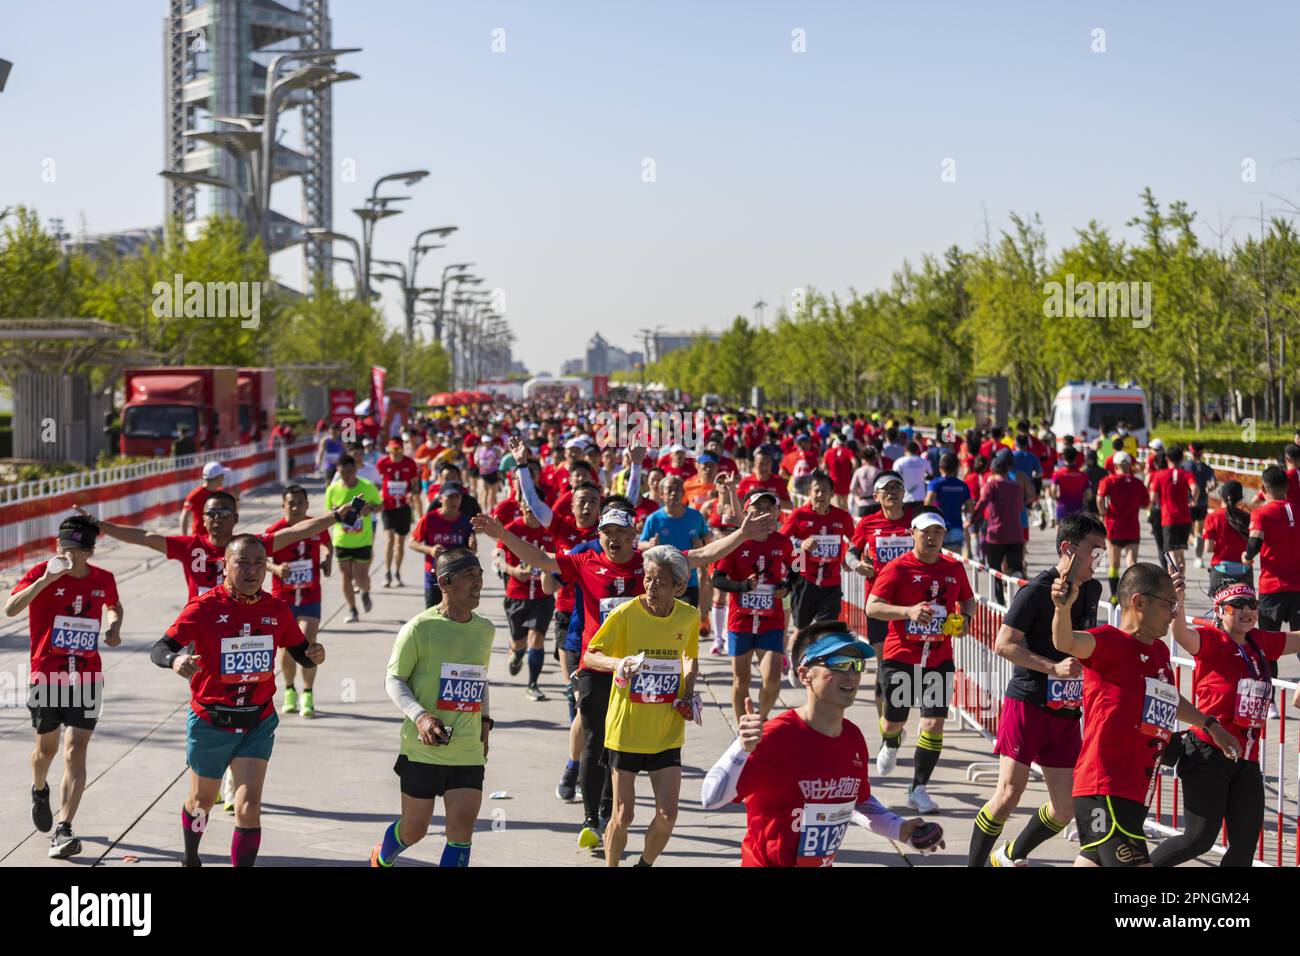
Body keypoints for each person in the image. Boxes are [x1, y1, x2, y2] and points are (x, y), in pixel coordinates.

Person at [472, 498, 769, 852]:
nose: (612, 539)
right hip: (597, 666)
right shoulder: (586, 561)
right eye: (606, 532)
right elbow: (541, 560)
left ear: (633, 535)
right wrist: (500, 533)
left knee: (620, 750)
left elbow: (702, 556)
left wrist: (742, 533)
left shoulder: (650, 564)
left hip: (642, 674)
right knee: (595, 740)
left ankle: (607, 813)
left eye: (620, 532)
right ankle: (590, 819)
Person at [700, 621, 946, 866]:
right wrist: (740, 748)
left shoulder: (852, 737)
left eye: (856, 665)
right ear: (805, 674)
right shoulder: (775, 737)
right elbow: (711, 798)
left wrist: (899, 828)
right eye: (838, 664)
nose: (851, 674)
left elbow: (856, 799)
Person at [151, 534, 327, 866]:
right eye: (242, 562)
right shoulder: (204, 607)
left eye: (258, 563)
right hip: (211, 721)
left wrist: (314, 654)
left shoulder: (276, 608)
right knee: (201, 802)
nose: (251, 570)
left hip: (256, 721)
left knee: (248, 807)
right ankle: (191, 857)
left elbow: (301, 652)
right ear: (225, 565)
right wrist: (174, 661)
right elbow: (160, 648)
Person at [1050, 562, 1240, 867]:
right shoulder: (1106, 641)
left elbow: (1169, 697)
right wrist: (1062, 608)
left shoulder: (1159, 652)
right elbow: (1066, 642)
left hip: (1136, 789)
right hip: (1106, 786)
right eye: (1169, 604)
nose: (1175, 613)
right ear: (1139, 602)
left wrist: (1210, 724)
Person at [968, 513, 1106, 867]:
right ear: (1068, 549)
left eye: (1102, 553)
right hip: (1028, 702)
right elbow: (1003, 644)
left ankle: (1011, 855)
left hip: (1066, 710)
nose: (1099, 560)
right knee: (1008, 794)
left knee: (1065, 808)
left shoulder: (1092, 589)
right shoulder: (1035, 591)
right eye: (1094, 552)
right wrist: (1052, 667)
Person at [1155, 581, 1300, 866]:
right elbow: (1182, 635)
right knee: (1198, 839)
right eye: (1237, 606)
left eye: (1252, 605)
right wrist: (1179, 600)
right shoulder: (1212, 639)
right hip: (1208, 752)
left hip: (1247, 758)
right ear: (1220, 611)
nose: (1247, 611)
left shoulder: (1260, 641)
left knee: (1245, 846)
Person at [7, 516, 122, 859]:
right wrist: (44, 581)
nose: (66, 555)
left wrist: (114, 626)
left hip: (87, 678)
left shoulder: (103, 579)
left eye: (73, 551)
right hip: (47, 675)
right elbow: (11, 608)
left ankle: (65, 827)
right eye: (62, 548)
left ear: (89, 552)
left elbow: (113, 605)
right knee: (47, 752)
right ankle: (39, 788)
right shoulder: (41, 573)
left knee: (76, 751)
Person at [371, 549, 493, 867]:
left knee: (462, 827)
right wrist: (421, 716)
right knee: (414, 830)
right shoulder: (419, 629)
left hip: (466, 748)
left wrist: (485, 720)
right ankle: (381, 857)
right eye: (469, 576)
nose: (478, 582)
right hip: (423, 749)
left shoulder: (485, 629)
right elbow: (394, 680)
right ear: (445, 583)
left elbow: (479, 678)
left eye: (480, 575)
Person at [583, 545, 699, 866]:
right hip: (627, 730)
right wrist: (618, 663)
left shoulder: (688, 616)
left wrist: (688, 691)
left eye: (660, 582)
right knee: (623, 814)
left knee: (668, 814)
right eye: (647, 579)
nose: (650, 587)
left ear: (678, 587)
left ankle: (644, 864)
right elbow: (591, 654)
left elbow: (689, 657)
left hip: (666, 730)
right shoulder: (625, 614)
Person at [866, 512, 975, 813]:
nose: (931, 538)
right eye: (926, 532)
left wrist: (964, 619)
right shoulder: (898, 568)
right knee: (894, 720)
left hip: (938, 657)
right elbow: (872, 607)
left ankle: (918, 788)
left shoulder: (954, 567)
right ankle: (890, 740)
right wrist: (908, 612)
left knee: (933, 723)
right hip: (901, 656)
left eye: (938, 533)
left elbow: (968, 600)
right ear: (912, 533)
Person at [712, 490, 796, 721]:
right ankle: (741, 730)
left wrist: (786, 587)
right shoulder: (736, 542)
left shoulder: (783, 543)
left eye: (769, 508)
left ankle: (760, 719)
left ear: (776, 513)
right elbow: (716, 579)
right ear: (747, 512)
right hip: (741, 622)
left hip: (772, 622)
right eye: (757, 508)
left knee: (772, 680)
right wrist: (741, 587)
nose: (763, 513)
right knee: (741, 680)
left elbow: (797, 573)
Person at [263, 485, 333, 719]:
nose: (295, 507)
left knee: (308, 642)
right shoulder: (274, 531)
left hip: (310, 595)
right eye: (291, 503)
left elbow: (327, 543)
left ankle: (308, 693)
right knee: (286, 646)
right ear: (283, 505)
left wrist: (327, 559)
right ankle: (290, 689)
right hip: (283, 597)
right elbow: (259, 559)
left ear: (307, 505)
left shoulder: (315, 525)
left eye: (300, 503)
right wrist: (276, 568)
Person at [496, 492, 555, 700]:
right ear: (520, 506)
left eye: (534, 504)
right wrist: (513, 571)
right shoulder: (512, 529)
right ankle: (516, 652)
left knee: (536, 639)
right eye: (526, 504)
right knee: (519, 641)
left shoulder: (550, 531)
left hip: (542, 596)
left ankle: (533, 684)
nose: (529, 509)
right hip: (516, 594)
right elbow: (497, 557)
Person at [781, 470, 853, 636]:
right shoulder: (799, 515)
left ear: (832, 493)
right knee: (801, 631)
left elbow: (855, 540)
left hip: (832, 583)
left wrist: (848, 558)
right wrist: (800, 543)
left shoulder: (842, 517)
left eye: (825, 490)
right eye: (816, 490)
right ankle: (795, 661)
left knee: (826, 631)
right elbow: (781, 539)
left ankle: (821, 662)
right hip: (804, 580)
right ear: (809, 493)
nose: (820, 495)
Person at [324, 454, 384, 623]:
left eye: (350, 471)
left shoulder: (367, 486)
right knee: (345, 576)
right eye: (343, 472)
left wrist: (369, 509)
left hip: (362, 540)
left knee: (361, 578)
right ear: (338, 470)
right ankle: (352, 609)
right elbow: (327, 512)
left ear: (355, 470)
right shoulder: (333, 489)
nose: (346, 476)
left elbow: (380, 506)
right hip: (342, 540)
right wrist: (336, 511)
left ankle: (365, 592)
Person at [1246, 465, 1300, 637]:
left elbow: (1254, 541)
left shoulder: (1261, 514)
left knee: (1268, 648)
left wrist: (1246, 556)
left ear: (1262, 489)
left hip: (1273, 588)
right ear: (1288, 486)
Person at [970, 450, 1030, 605]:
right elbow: (1020, 508)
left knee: (995, 571)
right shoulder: (1016, 487)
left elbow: (982, 503)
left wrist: (971, 520)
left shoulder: (991, 485)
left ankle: (1000, 603)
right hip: (1015, 535)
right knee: (1015, 570)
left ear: (992, 470)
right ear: (1007, 470)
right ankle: (1018, 603)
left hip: (996, 536)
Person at [639, 474, 709, 607]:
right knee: (662, 623)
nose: (674, 493)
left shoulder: (695, 516)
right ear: (661, 494)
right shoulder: (654, 519)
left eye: (678, 490)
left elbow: (706, 537)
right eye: (669, 490)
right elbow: (640, 544)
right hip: (661, 582)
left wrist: (702, 544)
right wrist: (650, 544)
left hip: (688, 581)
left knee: (686, 624)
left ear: (683, 493)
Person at [411, 482, 479, 611]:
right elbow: (412, 542)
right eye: (450, 497)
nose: (454, 501)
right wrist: (429, 550)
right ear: (440, 498)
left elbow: (471, 551)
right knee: (432, 616)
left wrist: (472, 548)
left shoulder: (465, 522)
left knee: (455, 616)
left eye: (457, 497)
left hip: (458, 578)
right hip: (433, 577)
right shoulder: (429, 519)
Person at [1096, 451, 1149, 605]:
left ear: (1116, 465)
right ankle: (1131, 593)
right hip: (1132, 526)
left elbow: (1100, 498)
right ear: (1129, 465)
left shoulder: (1109, 481)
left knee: (1114, 562)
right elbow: (1146, 503)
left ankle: (1114, 595)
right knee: (1132, 561)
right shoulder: (1138, 482)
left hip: (1114, 525)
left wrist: (1102, 512)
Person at [377, 437, 421, 588]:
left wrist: (412, 494)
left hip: (403, 507)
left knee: (400, 541)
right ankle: (387, 572)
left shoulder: (409, 463)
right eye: (393, 449)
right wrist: (378, 496)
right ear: (388, 449)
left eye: (398, 449)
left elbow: (416, 485)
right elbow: (376, 482)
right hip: (388, 507)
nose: (395, 452)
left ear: (402, 448)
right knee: (389, 539)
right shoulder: (382, 463)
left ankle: (397, 571)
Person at [1202, 480, 1252, 595]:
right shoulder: (1247, 517)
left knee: (1220, 608)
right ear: (1240, 498)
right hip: (1244, 570)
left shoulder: (1212, 517)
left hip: (1221, 570)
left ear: (1222, 496)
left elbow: (1208, 548)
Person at [1149, 444, 1195, 568]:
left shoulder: (1160, 475)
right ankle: (1181, 584)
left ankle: (1175, 584)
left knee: (1171, 555)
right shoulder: (1187, 474)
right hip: (1185, 519)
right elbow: (1195, 488)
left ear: (1167, 459)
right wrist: (1193, 500)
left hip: (1169, 519)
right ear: (1181, 459)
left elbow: (1153, 498)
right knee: (1180, 555)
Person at [924, 452, 972, 554]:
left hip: (938, 528)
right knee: (953, 564)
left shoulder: (935, 484)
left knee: (937, 563)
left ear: (940, 467)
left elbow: (928, 503)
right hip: (956, 528)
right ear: (956, 467)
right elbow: (970, 508)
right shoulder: (962, 485)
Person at [1183, 442, 1217, 568]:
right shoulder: (1206, 467)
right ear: (1201, 453)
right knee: (1199, 531)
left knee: (1189, 532)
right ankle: (1199, 558)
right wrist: (1210, 488)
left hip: (1188, 502)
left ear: (1190, 452)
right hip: (1202, 502)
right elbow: (1213, 482)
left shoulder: (1185, 466)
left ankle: (1193, 542)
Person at [180, 461, 227, 536]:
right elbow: (184, 516)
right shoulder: (195, 494)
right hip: (199, 538)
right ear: (217, 477)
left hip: (218, 537)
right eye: (222, 476)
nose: (224, 478)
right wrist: (184, 538)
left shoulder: (221, 492)